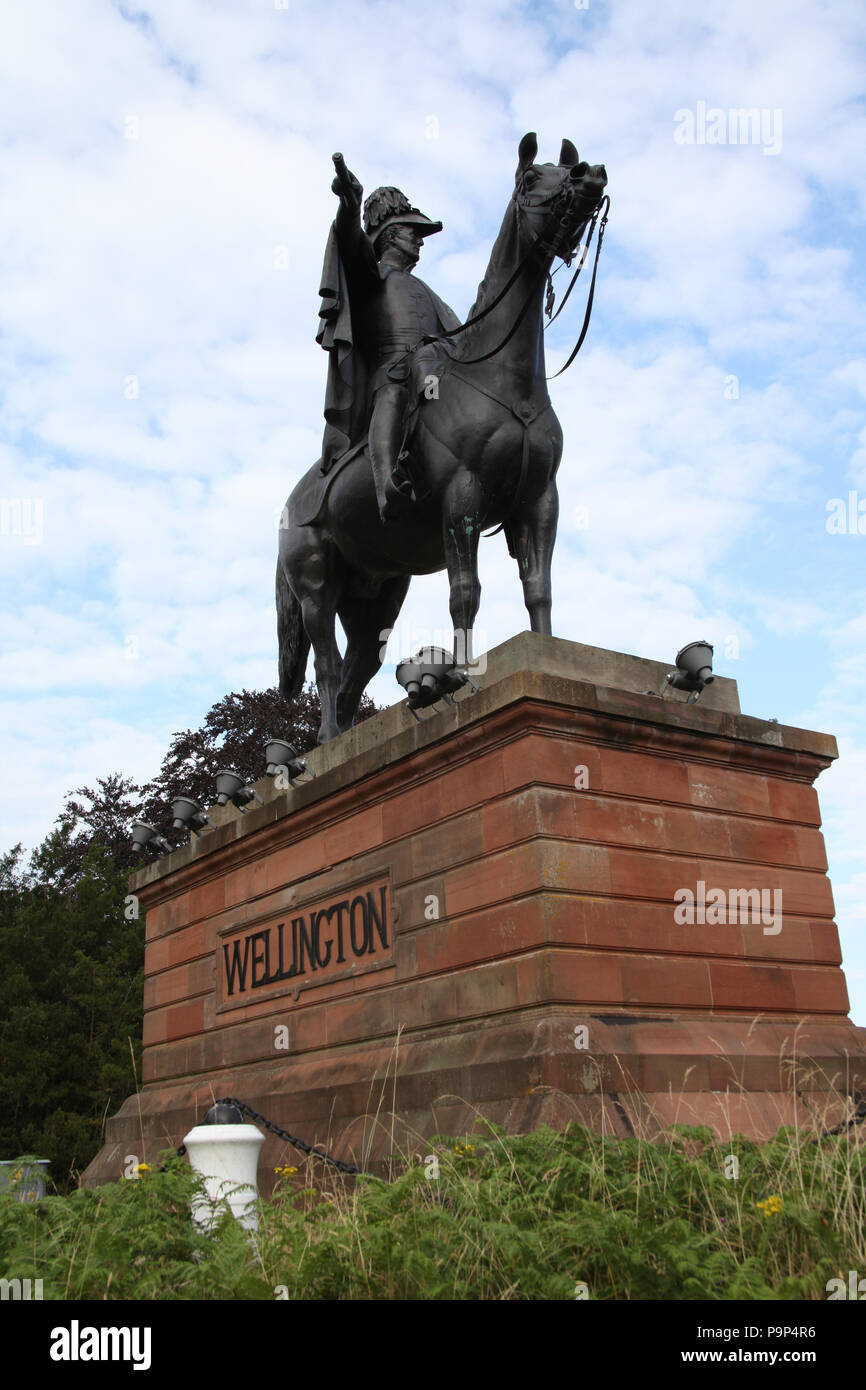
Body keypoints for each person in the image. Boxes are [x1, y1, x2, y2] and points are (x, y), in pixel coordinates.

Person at [316, 153, 461, 521]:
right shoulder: (371, 275)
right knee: (393, 396)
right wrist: (350, 203)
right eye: (414, 234)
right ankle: (386, 487)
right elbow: (351, 241)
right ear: (391, 237)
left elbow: (460, 336)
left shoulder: (428, 293)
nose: (421, 243)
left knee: (452, 403)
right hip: (390, 375)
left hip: (430, 379)